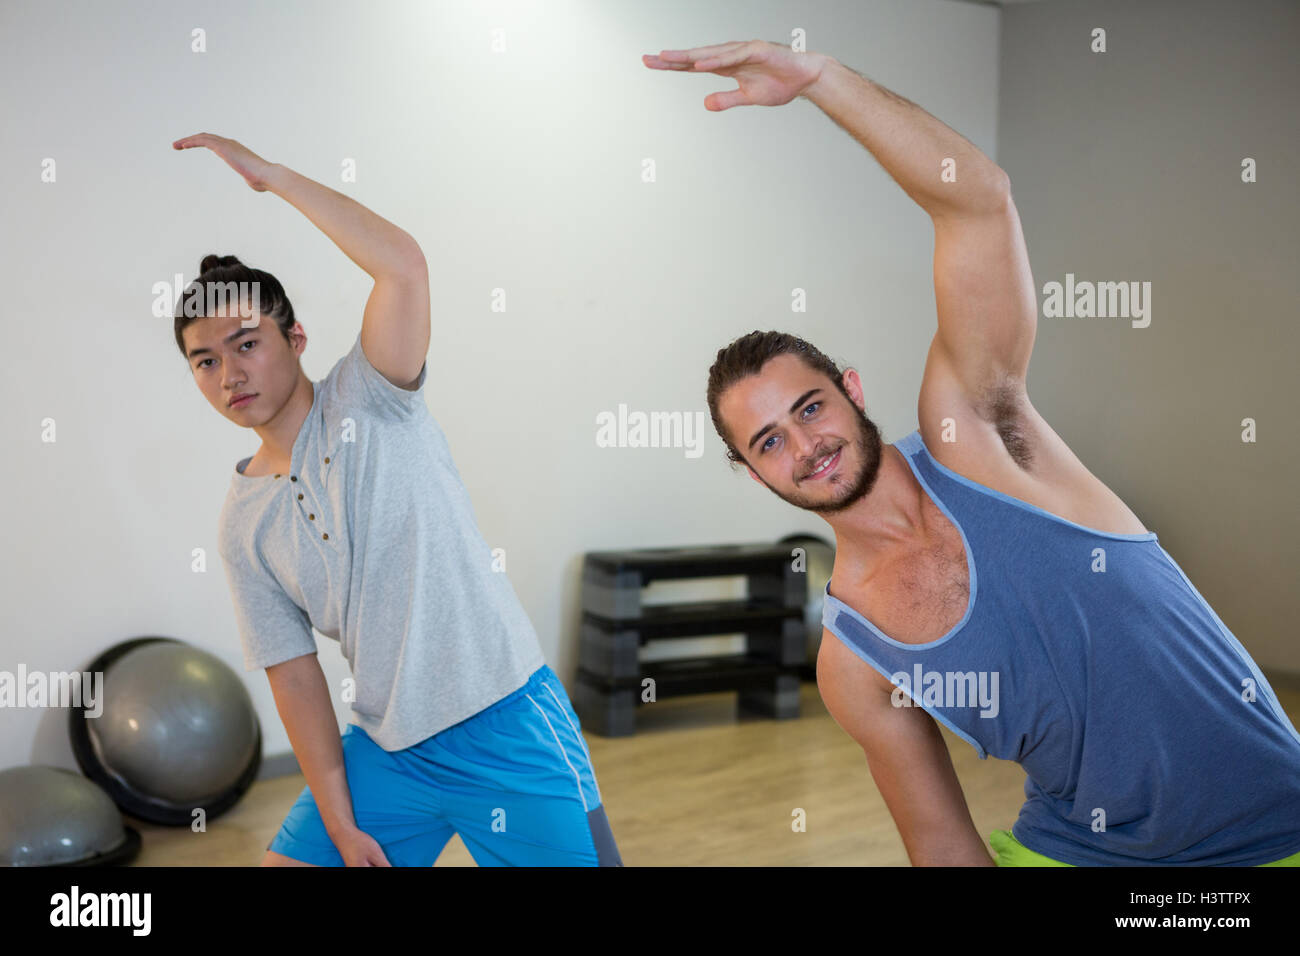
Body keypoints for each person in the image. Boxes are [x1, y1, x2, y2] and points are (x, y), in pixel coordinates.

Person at [647, 41, 1300, 866]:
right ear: (750, 471)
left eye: (811, 408)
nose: (806, 447)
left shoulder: (978, 439)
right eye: (770, 441)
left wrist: (822, 81)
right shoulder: (852, 659)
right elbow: (941, 842)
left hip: (1280, 830)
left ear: (850, 388)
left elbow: (978, 205)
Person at [172, 133, 621, 867]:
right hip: (389, 748)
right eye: (205, 360)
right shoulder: (242, 523)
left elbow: (403, 266)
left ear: (296, 337)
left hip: (506, 723)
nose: (230, 374)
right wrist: (342, 825)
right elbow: (294, 676)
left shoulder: (370, 397)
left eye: (247, 343)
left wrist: (276, 179)